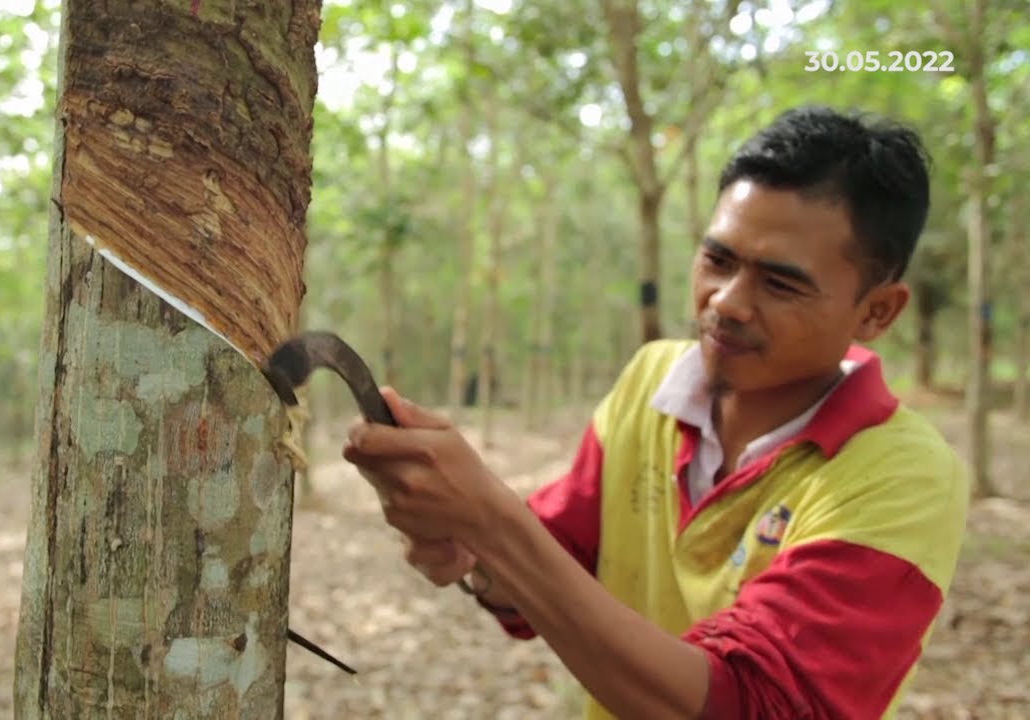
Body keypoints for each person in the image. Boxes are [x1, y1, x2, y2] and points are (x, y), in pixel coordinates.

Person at [341, 105, 970, 720]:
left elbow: (749, 702)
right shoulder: (654, 381)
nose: (726, 303)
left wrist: (493, 524)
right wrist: (472, 551)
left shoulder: (901, 474)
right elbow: (562, 561)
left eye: (780, 284)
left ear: (878, 311)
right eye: (717, 260)